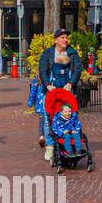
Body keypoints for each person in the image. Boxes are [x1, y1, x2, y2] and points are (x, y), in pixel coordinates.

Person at [37, 28, 82, 161]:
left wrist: (70, 83)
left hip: (67, 90)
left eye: (66, 37)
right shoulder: (48, 53)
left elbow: (77, 69)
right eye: (62, 37)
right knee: (48, 118)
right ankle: (50, 147)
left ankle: (68, 144)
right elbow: (42, 70)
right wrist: (47, 84)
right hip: (51, 90)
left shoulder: (72, 54)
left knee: (69, 116)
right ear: (56, 40)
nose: (65, 40)